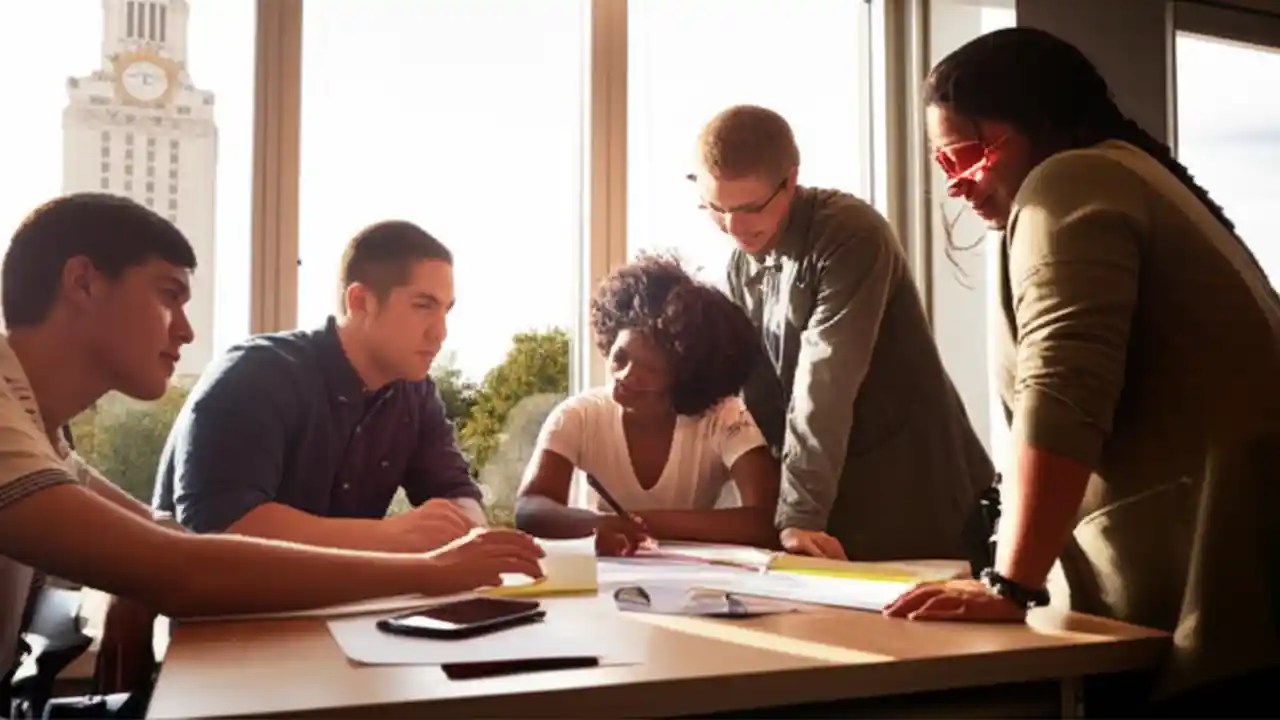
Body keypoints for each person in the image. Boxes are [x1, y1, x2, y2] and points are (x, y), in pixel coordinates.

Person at [884, 27, 1280, 716]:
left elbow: (1062, 389)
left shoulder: (1070, 180)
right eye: (942, 164)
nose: (956, 183)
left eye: (968, 154)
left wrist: (1010, 584)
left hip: (1212, 600)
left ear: (1039, 120)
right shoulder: (1132, 174)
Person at [0, 194, 542, 691]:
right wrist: (426, 565)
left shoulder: (44, 435)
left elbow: (160, 538)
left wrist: (136, 578)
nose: (187, 332)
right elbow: (191, 558)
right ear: (83, 283)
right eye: (169, 295)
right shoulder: (260, 372)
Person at [692, 105, 993, 561]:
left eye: (750, 207)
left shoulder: (848, 234)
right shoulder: (740, 264)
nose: (734, 227)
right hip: (830, 514)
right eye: (717, 208)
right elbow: (763, 400)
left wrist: (798, 515)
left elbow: (824, 381)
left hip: (919, 502)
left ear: (790, 181)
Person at [153, 220, 488, 551]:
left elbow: (456, 493)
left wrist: (472, 532)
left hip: (329, 603)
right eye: (423, 306)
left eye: (446, 310)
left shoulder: (415, 394)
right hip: (205, 601)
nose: (440, 332)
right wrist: (395, 537)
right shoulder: (256, 374)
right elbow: (219, 526)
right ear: (359, 301)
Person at [516, 255, 779, 556]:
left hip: (700, 580)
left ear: (687, 377)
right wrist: (598, 525)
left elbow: (763, 521)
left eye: (649, 369)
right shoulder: (578, 415)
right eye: (620, 358)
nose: (625, 376)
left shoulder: (725, 417)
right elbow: (530, 509)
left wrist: (638, 523)